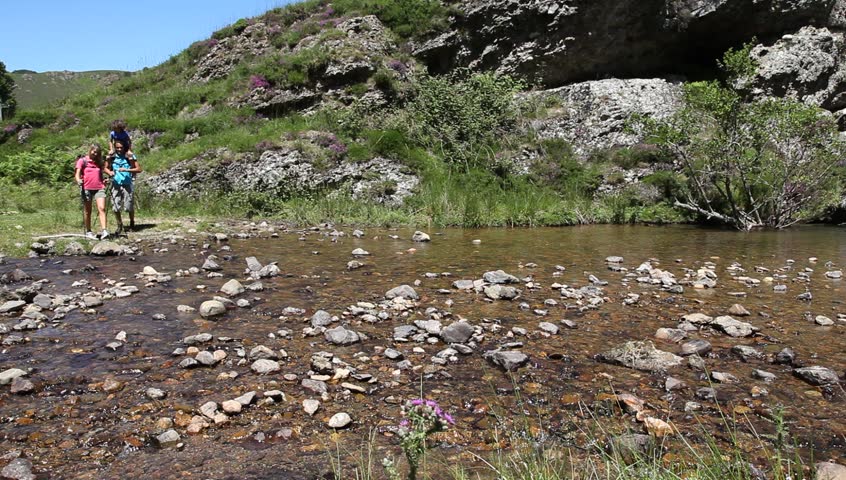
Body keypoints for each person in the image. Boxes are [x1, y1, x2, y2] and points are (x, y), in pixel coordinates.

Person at [105, 138, 141, 234]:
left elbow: (138, 169)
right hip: (115, 184)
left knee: (129, 206)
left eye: (121, 147)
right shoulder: (112, 157)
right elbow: (105, 168)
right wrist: (110, 172)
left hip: (127, 183)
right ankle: (119, 225)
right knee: (115, 206)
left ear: (124, 147)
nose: (119, 149)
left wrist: (126, 170)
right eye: (117, 147)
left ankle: (132, 223)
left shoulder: (130, 156)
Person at [74, 144, 109, 239]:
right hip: (86, 188)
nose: (95, 153)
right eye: (94, 151)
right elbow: (77, 174)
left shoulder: (99, 162)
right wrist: (78, 181)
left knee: (102, 208)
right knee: (87, 211)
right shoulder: (82, 161)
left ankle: (105, 231)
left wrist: (104, 181)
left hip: (99, 187)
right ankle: (88, 231)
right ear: (90, 150)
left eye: (97, 152)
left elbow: (101, 174)